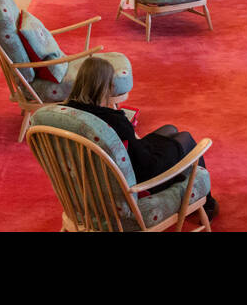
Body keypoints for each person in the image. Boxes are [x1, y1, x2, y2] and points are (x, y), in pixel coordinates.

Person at [65, 57, 217, 219]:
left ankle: (193, 194)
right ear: (103, 87)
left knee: (170, 129)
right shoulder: (115, 120)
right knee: (186, 139)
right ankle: (206, 204)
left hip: (111, 169)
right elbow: (144, 161)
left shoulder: (68, 112)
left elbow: (134, 146)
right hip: (141, 175)